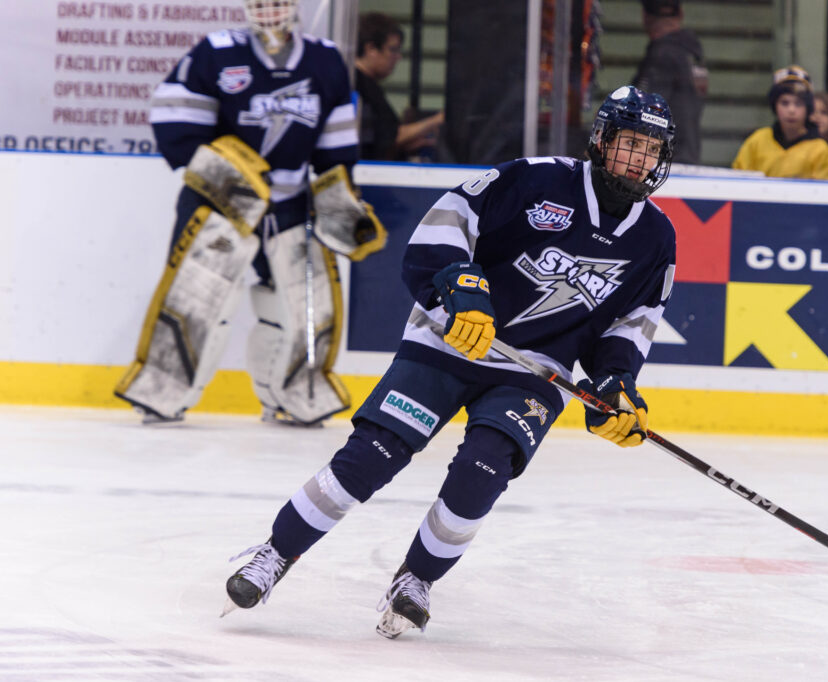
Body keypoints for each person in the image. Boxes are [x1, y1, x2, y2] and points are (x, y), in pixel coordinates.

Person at [223, 85, 678, 639]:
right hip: (448, 344)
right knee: (371, 458)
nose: (641, 159)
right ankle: (275, 555)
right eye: (632, 143)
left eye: (652, 149)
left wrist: (616, 382)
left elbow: (632, 322)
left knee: (480, 475)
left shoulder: (657, 237)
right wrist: (461, 288)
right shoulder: (534, 179)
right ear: (603, 140)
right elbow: (443, 226)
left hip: (532, 372)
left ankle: (416, 579)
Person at [114, 0, 388, 426]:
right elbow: (177, 126)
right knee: (198, 299)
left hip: (294, 203)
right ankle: (162, 392)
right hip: (221, 202)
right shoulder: (216, 51)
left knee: (300, 308)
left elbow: (335, 150)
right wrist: (229, 180)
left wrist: (341, 204)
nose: (269, 10)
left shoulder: (324, 59)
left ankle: (289, 395)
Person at [355, 12, 445, 161]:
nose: (398, 57)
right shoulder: (359, 86)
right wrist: (436, 120)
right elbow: (387, 138)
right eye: (393, 50)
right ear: (371, 49)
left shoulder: (369, 86)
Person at [732, 65, 828, 180]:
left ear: (808, 109)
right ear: (775, 106)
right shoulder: (757, 141)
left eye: (798, 104)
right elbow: (738, 181)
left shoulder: (821, 151)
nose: (791, 110)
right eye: (784, 103)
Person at [632, 0, 707, 165]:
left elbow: (643, 111)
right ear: (681, 13)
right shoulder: (692, 54)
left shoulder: (661, 55)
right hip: (688, 155)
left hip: (661, 161)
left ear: (645, 17)